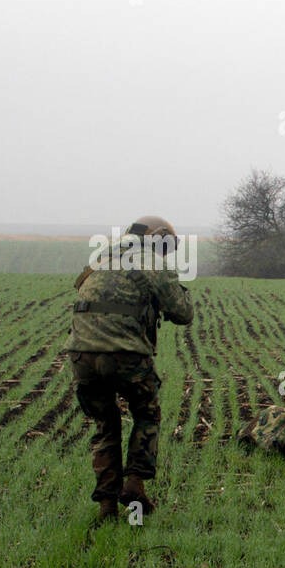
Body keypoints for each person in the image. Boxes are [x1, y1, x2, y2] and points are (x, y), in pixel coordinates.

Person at [65, 216, 193, 522]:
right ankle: (135, 485)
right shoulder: (153, 263)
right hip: (127, 355)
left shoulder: (102, 256)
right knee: (146, 414)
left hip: (82, 354)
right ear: (159, 239)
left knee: (105, 425)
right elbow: (183, 313)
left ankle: (106, 507)